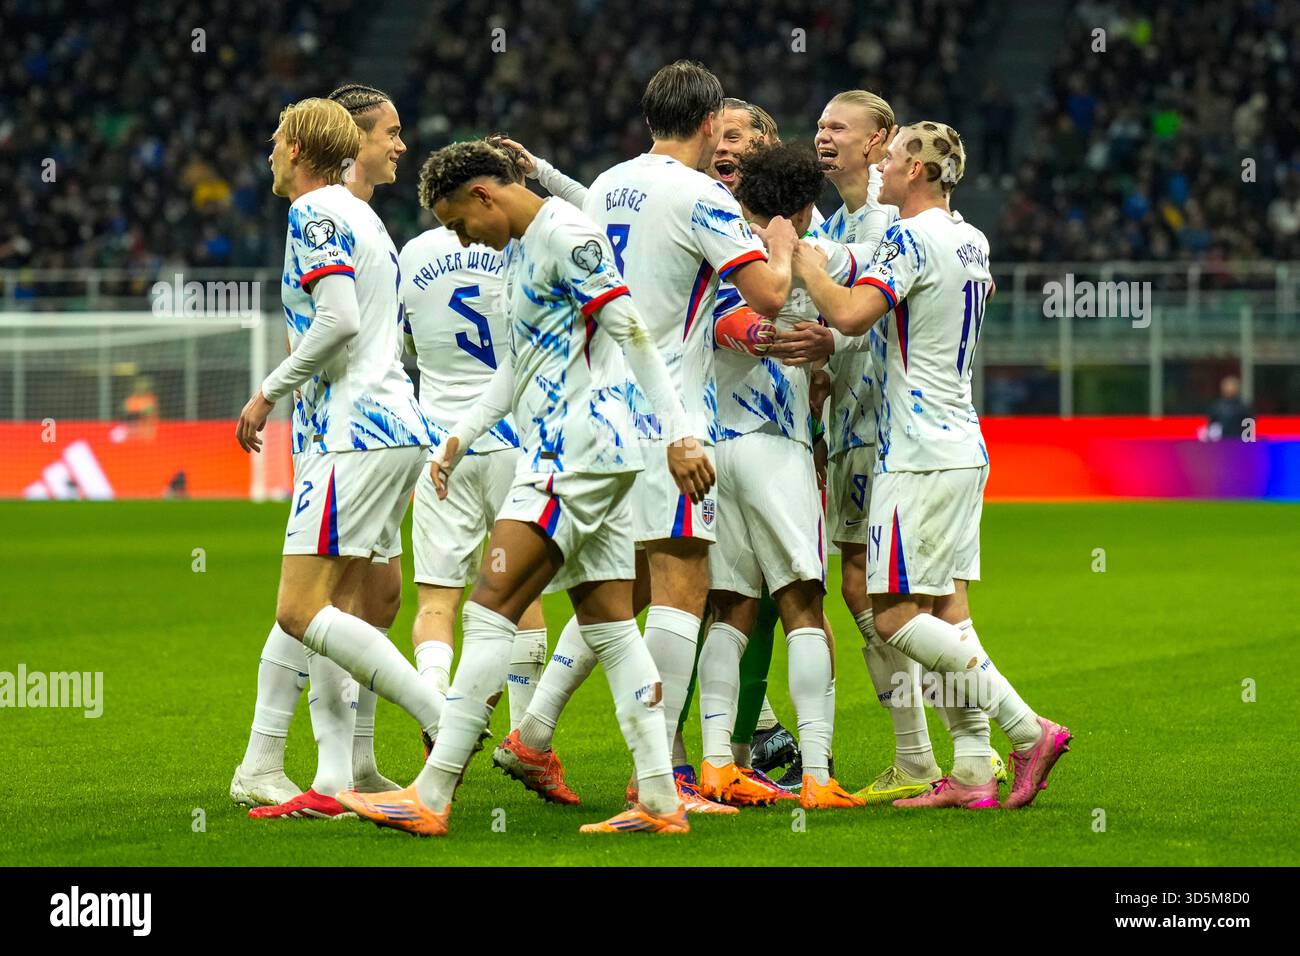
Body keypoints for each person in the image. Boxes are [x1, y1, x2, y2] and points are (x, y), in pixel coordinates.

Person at [336, 139, 715, 836]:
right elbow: (517, 364)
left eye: (457, 222)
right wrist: (462, 435)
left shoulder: (569, 235)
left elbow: (632, 332)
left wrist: (679, 433)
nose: (459, 236)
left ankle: (432, 793)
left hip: (576, 450)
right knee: (608, 623)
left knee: (488, 608)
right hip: (566, 450)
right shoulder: (515, 252)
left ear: (485, 194)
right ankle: (660, 801)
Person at [494, 61, 798, 812]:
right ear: (705, 125)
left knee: (618, 587)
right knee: (681, 586)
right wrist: (784, 244)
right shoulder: (700, 196)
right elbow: (768, 292)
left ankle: (532, 733)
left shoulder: (607, 186)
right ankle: (656, 776)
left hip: (604, 412)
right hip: (673, 419)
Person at [794, 121, 1072, 809]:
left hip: (914, 452)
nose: (883, 171)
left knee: (891, 615)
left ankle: (1027, 729)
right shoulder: (970, 238)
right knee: (947, 609)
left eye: (890, 160)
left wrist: (802, 267)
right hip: (963, 443)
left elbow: (855, 317)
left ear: (917, 169)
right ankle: (974, 770)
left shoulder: (911, 237)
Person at [234, 96, 443, 819]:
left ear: (297, 149)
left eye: (275, 137)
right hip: (390, 429)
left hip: (351, 433)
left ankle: (443, 718)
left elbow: (339, 319)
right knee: (348, 602)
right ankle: (330, 777)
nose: (268, 146)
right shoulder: (368, 218)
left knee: (302, 607)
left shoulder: (315, 213)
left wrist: (268, 393)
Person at [703, 140, 869, 808]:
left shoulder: (718, 250)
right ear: (804, 205)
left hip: (713, 447)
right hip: (777, 445)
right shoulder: (817, 254)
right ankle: (817, 775)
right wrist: (825, 341)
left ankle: (717, 765)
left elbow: (723, 322)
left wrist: (754, 335)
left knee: (731, 607)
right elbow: (887, 299)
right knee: (802, 606)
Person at [398, 136, 549, 743]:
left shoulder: (411, 254)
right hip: (518, 437)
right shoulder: (517, 244)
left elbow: (402, 347)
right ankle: (525, 734)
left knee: (438, 599)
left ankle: (435, 705)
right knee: (522, 591)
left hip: (442, 443)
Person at [1203, 374, 1252, 441]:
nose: (1229, 389)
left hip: (1239, 442)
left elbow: (1249, 425)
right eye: (1227, 386)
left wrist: (1248, 442)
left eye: (1232, 386)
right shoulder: (1217, 406)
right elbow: (1212, 424)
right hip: (1220, 442)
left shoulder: (1243, 406)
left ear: (1237, 389)